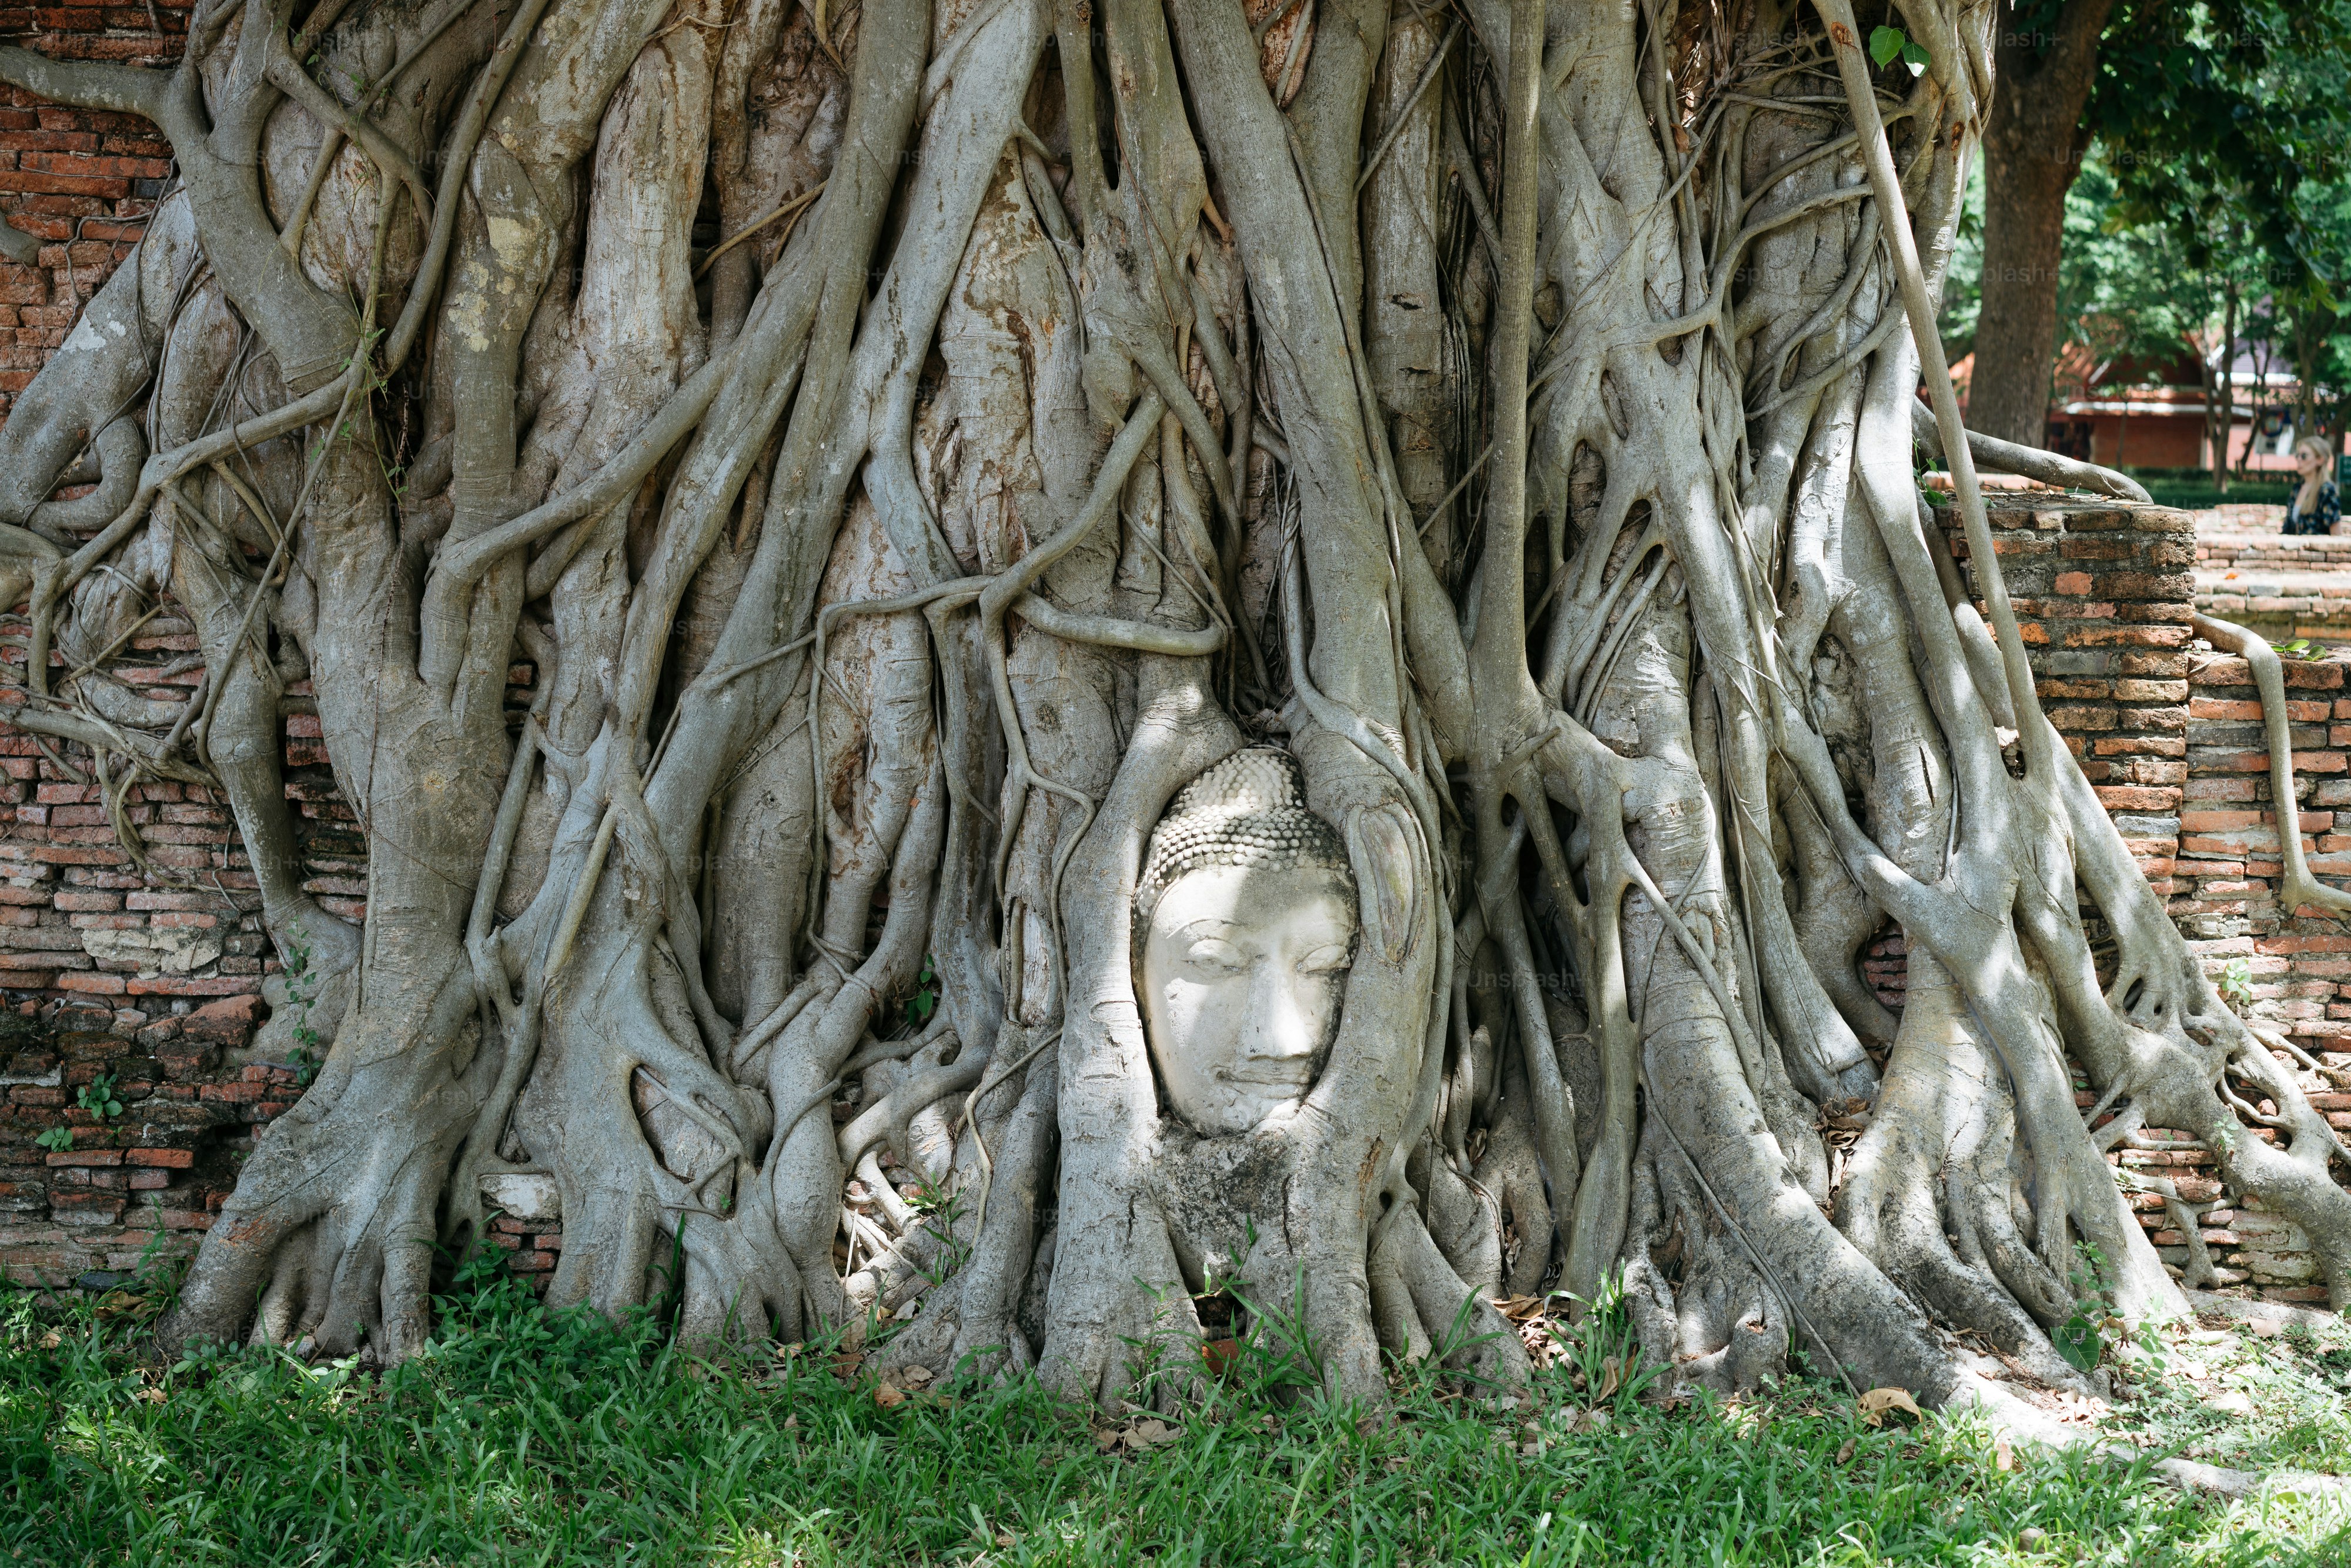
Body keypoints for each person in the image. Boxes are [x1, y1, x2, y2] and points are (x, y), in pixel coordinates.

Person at [2283, 434, 2342, 536]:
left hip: (2319, 551)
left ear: (2320, 460)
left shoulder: (2327, 490)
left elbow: (2336, 537)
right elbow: (2288, 529)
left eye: (2304, 456)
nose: (2299, 460)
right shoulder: (2297, 489)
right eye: (2297, 455)